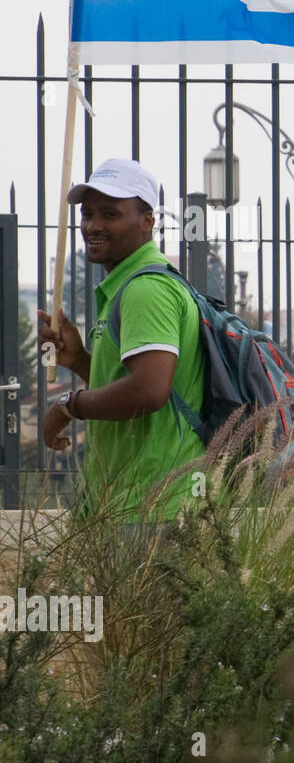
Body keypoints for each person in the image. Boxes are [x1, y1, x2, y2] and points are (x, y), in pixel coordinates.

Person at [37, 158, 205, 523]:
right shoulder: (126, 288)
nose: (92, 226)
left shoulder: (146, 289)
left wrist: (67, 406)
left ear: (147, 222)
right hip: (131, 505)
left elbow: (149, 390)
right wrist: (81, 360)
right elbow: (132, 384)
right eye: (87, 214)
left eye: (110, 214)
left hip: (153, 509)